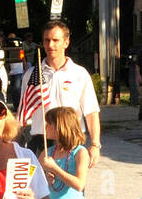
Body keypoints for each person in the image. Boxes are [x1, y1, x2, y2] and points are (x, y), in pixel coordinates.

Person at [18, 20, 102, 166]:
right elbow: (22, 113)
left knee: (71, 188)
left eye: (56, 40)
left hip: (71, 141)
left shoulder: (79, 74)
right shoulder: (31, 75)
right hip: (40, 142)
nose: (50, 45)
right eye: (47, 40)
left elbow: (91, 112)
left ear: (66, 42)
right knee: (38, 188)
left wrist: (95, 145)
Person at [37, 106, 90, 199]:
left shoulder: (80, 152)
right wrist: (44, 178)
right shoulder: (48, 153)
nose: (45, 127)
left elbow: (79, 184)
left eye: (49, 123)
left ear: (60, 127)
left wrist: (55, 168)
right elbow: (33, 178)